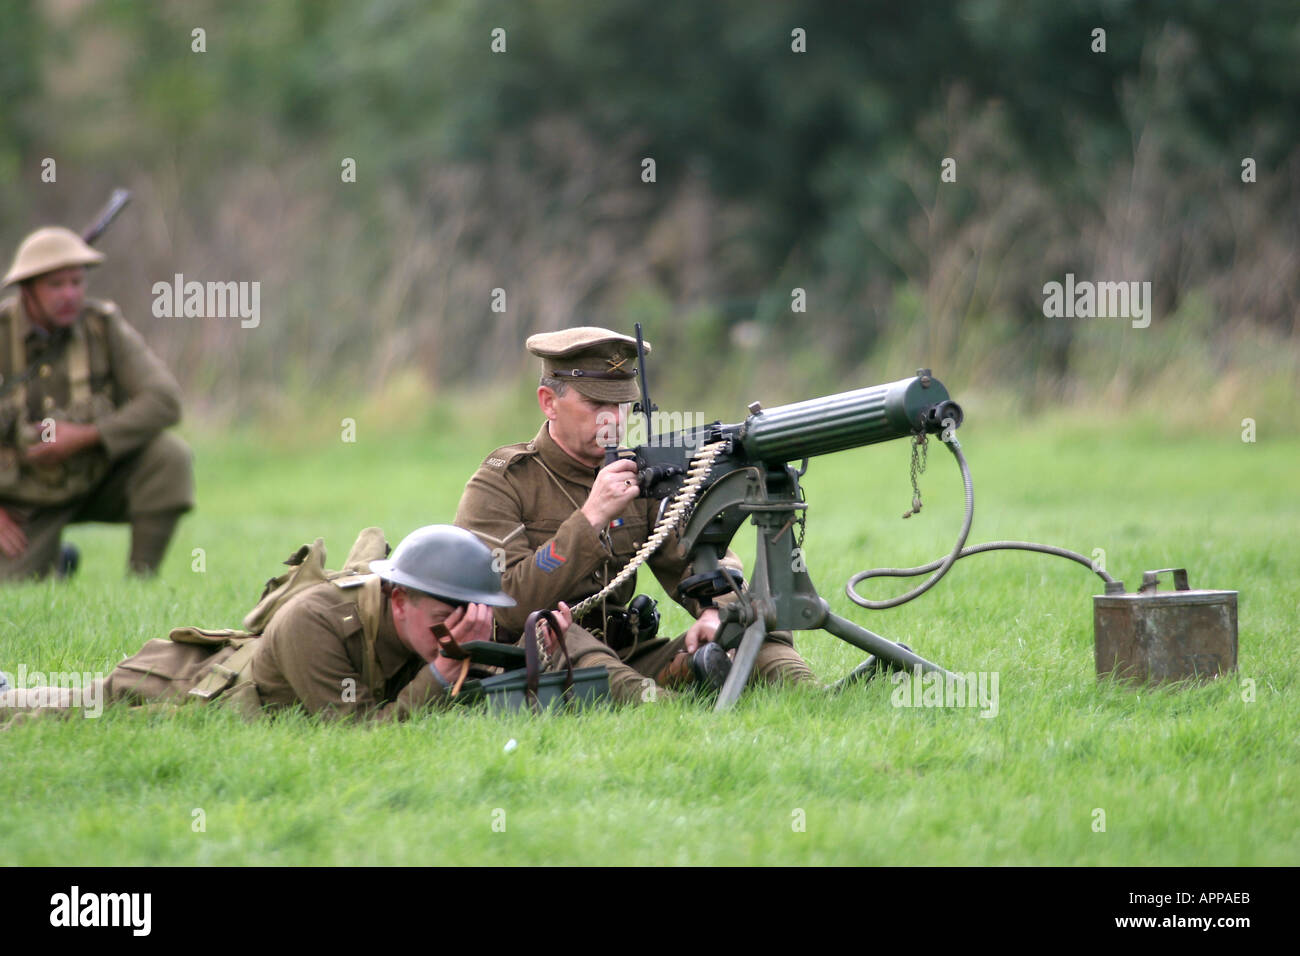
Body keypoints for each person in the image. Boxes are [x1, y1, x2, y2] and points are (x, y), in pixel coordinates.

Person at [454, 326, 815, 704]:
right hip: (536, 657)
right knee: (565, 635)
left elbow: (698, 559)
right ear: (548, 401)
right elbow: (506, 605)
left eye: (622, 405)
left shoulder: (638, 473)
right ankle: (666, 713)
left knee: (753, 618)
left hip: (624, 654)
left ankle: (815, 700)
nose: (613, 420)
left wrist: (715, 614)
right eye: (596, 405)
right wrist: (590, 519)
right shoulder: (503, 481)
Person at [0, 525, 529, 723]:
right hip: (188, 694)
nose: (458, 630)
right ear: (399, 599)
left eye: (470, 617)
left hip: (234, 683)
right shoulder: (316, 621)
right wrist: (441, 670)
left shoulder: (439, 623)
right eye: (445, 618)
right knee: (68, 714)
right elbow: (359, 737)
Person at [0, 226, 193, 579]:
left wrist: (87, 435)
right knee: (13, 590)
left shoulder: (102, 327)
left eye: (77, 281)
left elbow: (166, 401)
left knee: (169, 456)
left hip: (94, 477)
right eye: (56, 285)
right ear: (27, 289)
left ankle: (141, 583)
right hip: (21, 499)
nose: (70, 294)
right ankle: (57, 563)